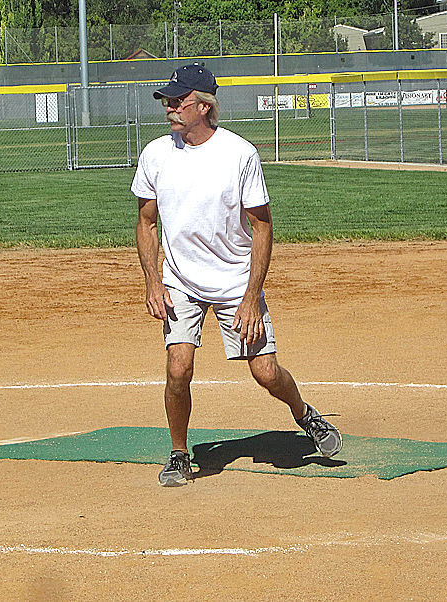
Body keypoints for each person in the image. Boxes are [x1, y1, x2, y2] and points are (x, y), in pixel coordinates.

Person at [131, 63, 342, 487]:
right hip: (180, 281)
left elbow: (262, 226)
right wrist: (153, 281)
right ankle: (178, 454)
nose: (170, 107)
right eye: (168, 100)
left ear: (204, 106)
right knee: (178, 367)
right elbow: (146, 221)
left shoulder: (239, 154)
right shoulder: (155, 154)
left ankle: (305, 415)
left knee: (266, 372)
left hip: (234, 281)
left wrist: (251, 297)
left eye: (179, 100)